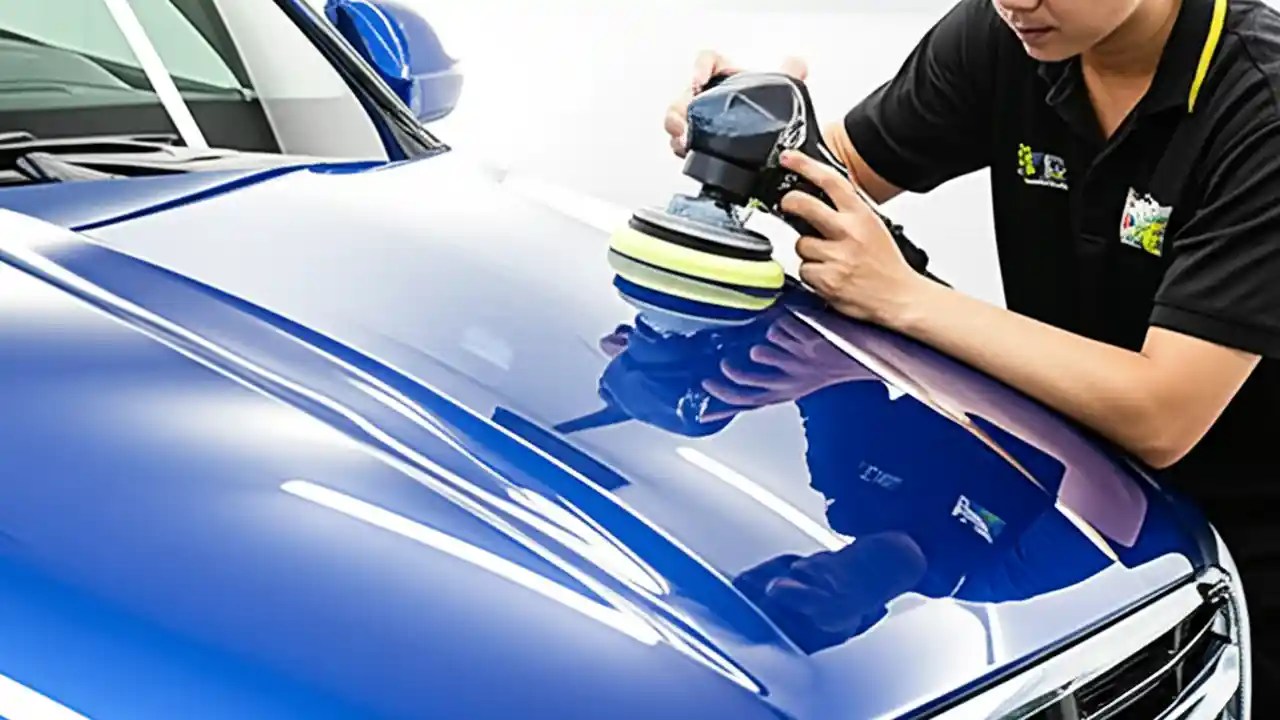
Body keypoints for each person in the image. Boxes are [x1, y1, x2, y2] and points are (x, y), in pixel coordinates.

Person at [664, 0, 1280, 711]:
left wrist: (905, 298)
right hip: (1097, 479)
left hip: (1242, 542)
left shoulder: (1259, 109)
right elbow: (843, 177)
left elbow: (1162, 416)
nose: (1015, 2)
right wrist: (755, 140)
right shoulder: (1006, 35)